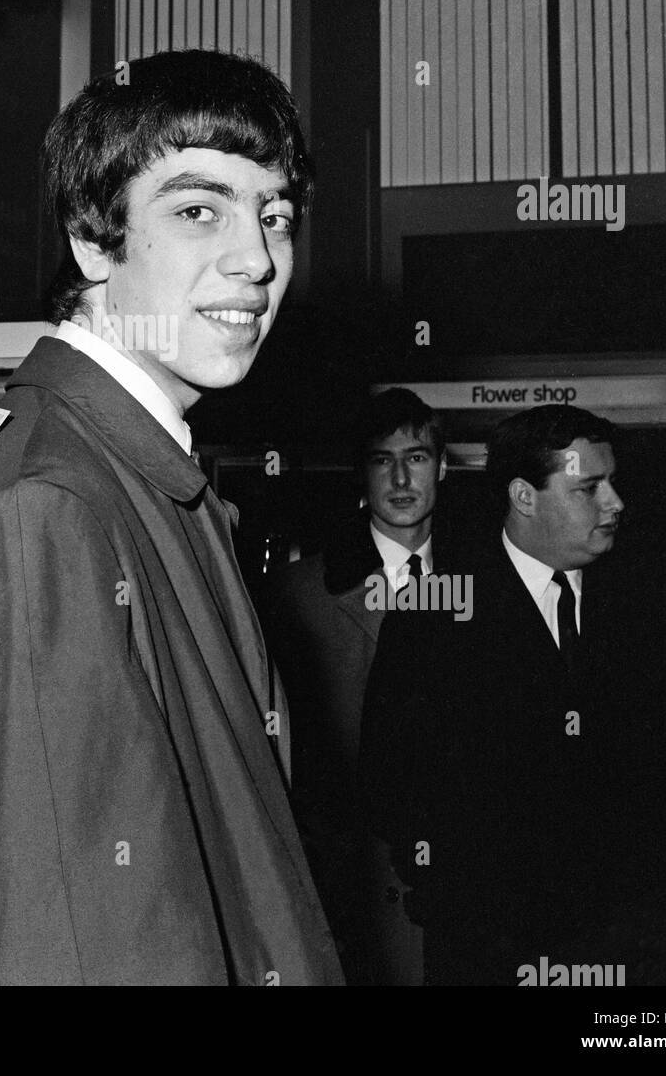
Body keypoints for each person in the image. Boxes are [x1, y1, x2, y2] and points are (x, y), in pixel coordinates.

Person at [0, 49, 343, 985]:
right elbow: (75, 946)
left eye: (274, 215)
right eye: (198, 210)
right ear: (92, 241)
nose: (255, 259)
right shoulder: (49, 506)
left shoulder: (129, 474)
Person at [360, 403, 666, 984]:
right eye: (589, 488)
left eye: (612, 483)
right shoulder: (435, 610)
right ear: (524, 496)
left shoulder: (650, 603)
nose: (615, 503)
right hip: (488, 945)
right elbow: (392, 777)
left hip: (629, 942)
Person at [264, 386, 448, 983]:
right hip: (345, 891)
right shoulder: (296, 596)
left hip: (460, 891)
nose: (400, 477)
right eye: (380, 460)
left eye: (416, 457)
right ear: (359, 476)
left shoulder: (489, 584)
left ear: (442, 467)